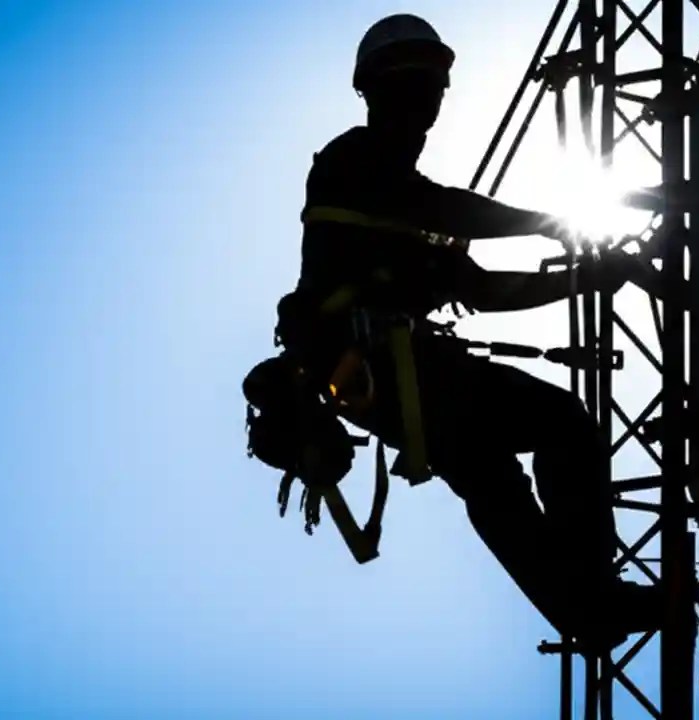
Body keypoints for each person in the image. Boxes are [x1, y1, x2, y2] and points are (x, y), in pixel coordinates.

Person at [278, 13, 662, 650]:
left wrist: (588, 280)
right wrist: (547, 222)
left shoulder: (409, 208)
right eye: (412, 87)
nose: (423, 104)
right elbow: (444, 208)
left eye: (430, 89)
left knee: (495, 467)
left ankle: (587, 605)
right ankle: (590, 597)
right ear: (377, 93)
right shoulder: (351, 163)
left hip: (399, 372)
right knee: (554, 428)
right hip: (372, 366)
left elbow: (484, 290)